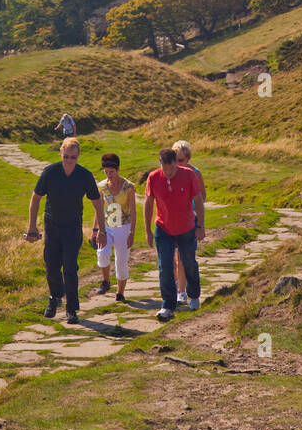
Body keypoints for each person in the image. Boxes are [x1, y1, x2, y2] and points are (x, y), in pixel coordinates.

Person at [25, 137, 106, 325]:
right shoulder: (50, 173)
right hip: (52, 225)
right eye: (66, 156)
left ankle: (71, 309)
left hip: (73, 227)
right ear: (61, 153)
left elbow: (97, 203)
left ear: (78, 157)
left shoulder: (84, 176)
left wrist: (101, 230)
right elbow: (35, 198)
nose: (69, 160)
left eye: (73, 157)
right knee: (51, 265)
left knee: (70, 268)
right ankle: (55, 298)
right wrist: (31, 227)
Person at [144, 148, 204, 322]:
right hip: (163, 228)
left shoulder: (189, 175)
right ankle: (168, 305)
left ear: (176, 163)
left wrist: (200, 225)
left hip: (186, 228)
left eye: (171, 168)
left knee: (189, 263)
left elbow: (199, 201)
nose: (168, 172)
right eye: (165, 168)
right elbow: (148, 204)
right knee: (165, 267)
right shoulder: (153, 177)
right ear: (160, 163)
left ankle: (193, 296)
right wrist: (148, 230)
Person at [91, 153, 136, 302]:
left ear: (118, 169)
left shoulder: (128, 187)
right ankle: (106, 281)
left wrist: (132, 232)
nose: (109, 175)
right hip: (107, 227)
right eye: (106, 172)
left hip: (123, 227)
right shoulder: (102, 187)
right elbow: (99, 209)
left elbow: (133, 211)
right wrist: (95, 230)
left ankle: (120, 292)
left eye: (112, 171)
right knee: (102, 253)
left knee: (121, 261)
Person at [173, 139, 206, 305]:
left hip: (189, 219)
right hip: (171, 219)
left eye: (181, 160)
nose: (179, 164)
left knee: (184, 257)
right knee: (170, 258)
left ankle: (182, 292)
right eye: (176, 160)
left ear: (188, 158)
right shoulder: (171, 173)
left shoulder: (195, 173)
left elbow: (203, 197)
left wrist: (194, 209)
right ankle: (176, 284)